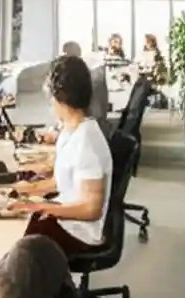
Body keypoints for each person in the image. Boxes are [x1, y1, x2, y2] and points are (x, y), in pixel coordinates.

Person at [10, 55, 112, 255]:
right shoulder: (71, 129)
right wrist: (24, 190)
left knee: (20, 246)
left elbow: (91, 209)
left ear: (59, 95)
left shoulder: (86, 142)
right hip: (67, 218)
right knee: (20, 228)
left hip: (81, 233)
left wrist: (41, 207)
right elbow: (60, 181)